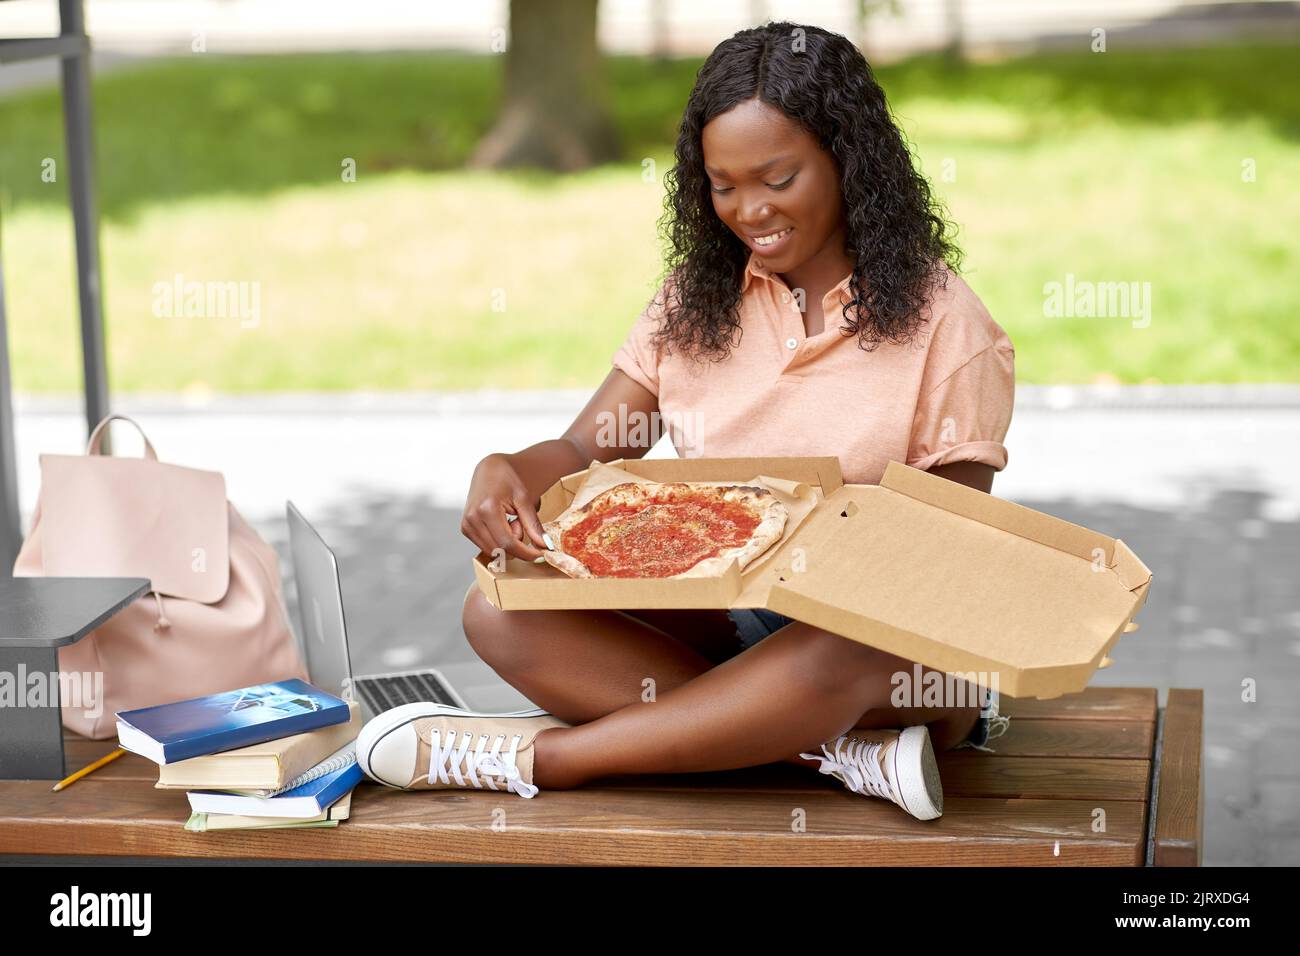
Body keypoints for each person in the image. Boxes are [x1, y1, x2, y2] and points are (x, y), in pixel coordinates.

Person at [356, 21, 1013, 821]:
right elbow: (579, 449)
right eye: (723, 184)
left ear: (849, 157)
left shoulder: (949, 324)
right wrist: (505, 469)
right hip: (744, 633)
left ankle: (548, 759)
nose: (749, 210)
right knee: (499, 607)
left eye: (778, 178)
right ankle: (829, 751)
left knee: (846, 644)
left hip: (892, 654)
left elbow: (945, 562)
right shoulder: (694, 301)